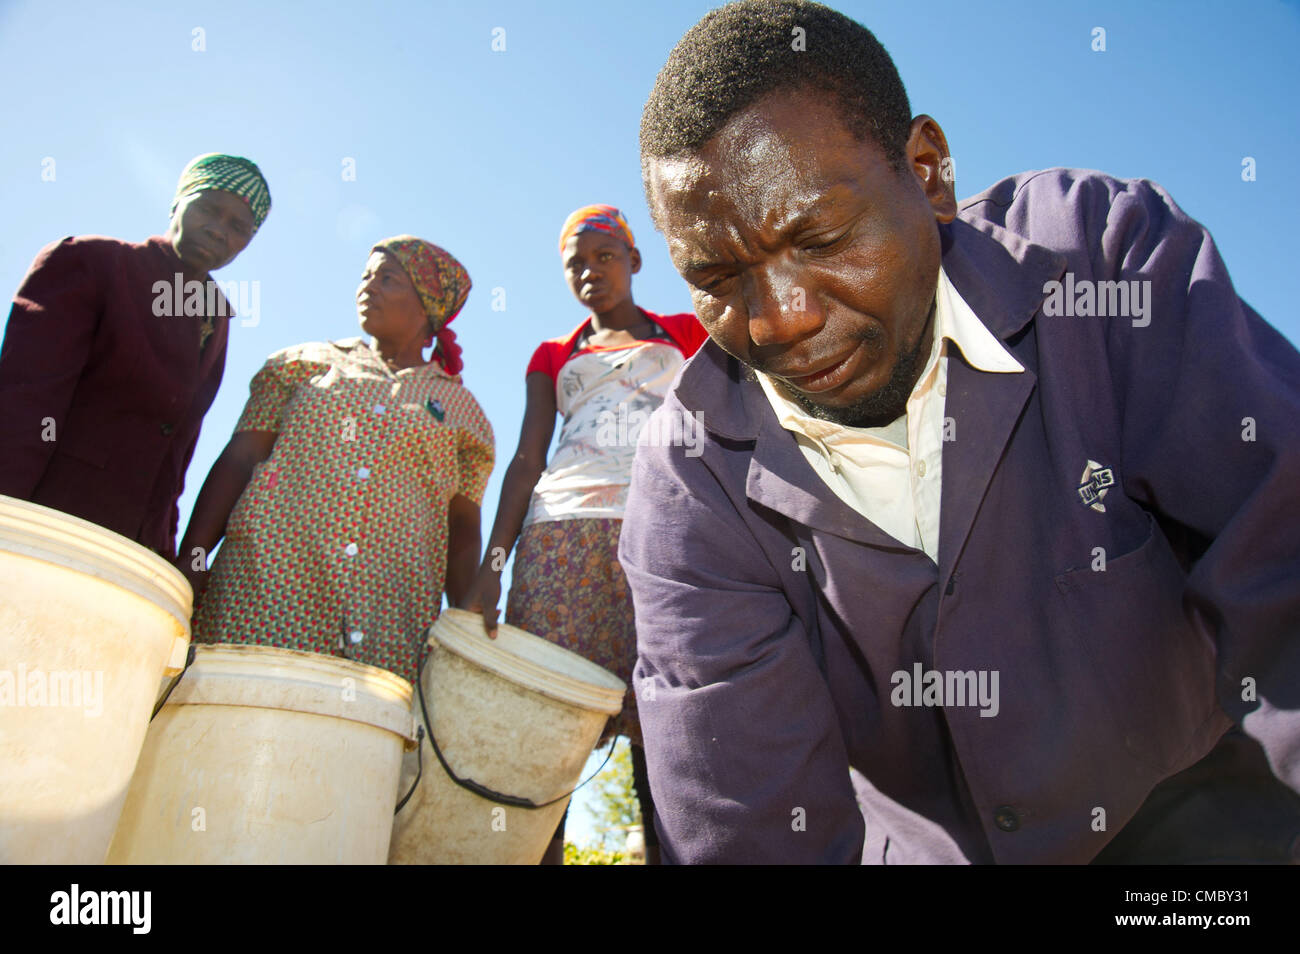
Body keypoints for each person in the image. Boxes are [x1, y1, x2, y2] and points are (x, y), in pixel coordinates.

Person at [622, 0, 1300, 863]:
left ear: (928, 170)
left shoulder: (1100, 264)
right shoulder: (691, 480)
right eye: (718, 279)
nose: (779, 323)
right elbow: (746, 826)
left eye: (821, 237)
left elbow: (1283, 543)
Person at [462, 205, 708, 864]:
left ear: (634, 261)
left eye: (604, 256)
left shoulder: (688, 333)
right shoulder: (553, 354)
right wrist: (494, 562)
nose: (590, 271)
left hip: (665, 533)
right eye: (576, 262)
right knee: (549, 730)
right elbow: (526, 459)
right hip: (559, 540)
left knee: (663, 725)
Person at [180, 236, 492, 685]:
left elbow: (462, 529)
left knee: (349, 746)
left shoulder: (465, 416)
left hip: (388, 624)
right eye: (366, 277)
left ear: (427, 303)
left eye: (388, 279)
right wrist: (193, 558)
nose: (369, 287)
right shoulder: (302, 364)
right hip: (264, 592)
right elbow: (241, 456)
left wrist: (465, 623)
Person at [0, 153, 271, 557]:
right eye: (210, 209)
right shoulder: (93, 262)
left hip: (131, 550)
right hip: (46, 526)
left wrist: (160, 548)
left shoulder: (217, 318)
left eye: (239, 228)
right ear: (178, 202)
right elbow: (24, 408)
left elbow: (176, 454)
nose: (219, 231)